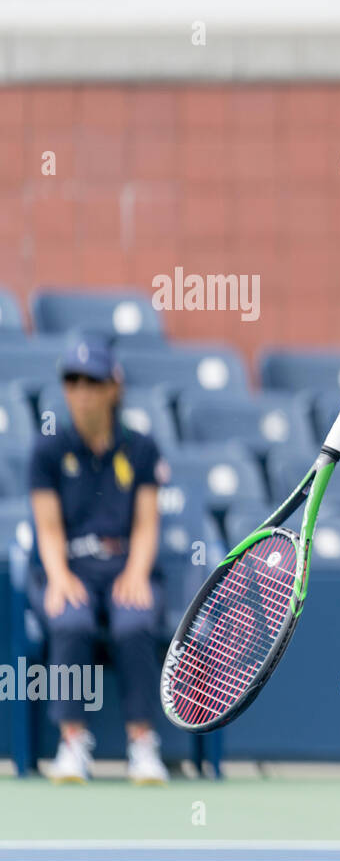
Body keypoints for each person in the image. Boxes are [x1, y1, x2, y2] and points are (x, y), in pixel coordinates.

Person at [27, 331, 169, 785]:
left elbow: (147, 523)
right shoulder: (47, 450)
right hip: (71, 567)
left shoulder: (142, 448)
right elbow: (47, 528)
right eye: (72, 382)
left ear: (114, 387)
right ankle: (72, 744)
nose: (81, 393)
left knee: (136, 621)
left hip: (125, 565)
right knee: (70, 621)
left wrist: (137, 571)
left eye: (91, 381)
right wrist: (58, 575)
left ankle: (142, 745)